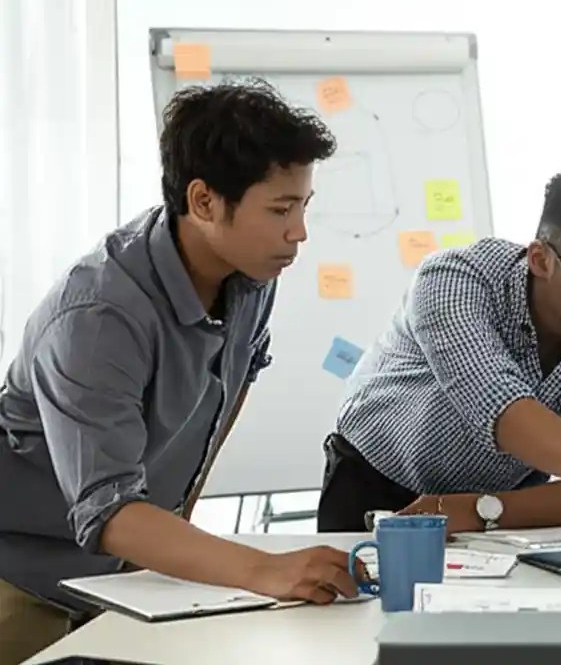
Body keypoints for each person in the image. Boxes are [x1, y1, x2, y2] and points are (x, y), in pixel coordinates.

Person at [0, 80, 361, 665]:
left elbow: (234, 385)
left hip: (129, 579)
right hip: (24, 581)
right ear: (203, 201)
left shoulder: (250, 277)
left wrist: (178, 526)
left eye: (303, 207)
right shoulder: (98, 316)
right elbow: (108, 509)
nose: (299, 233)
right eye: (280, 209)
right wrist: (263, 570)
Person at [316, 161, 561, 535]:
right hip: (374, 484)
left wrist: (481, 509)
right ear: (540, 259)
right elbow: (501, 409)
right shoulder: (452, 280)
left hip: (502, 505)